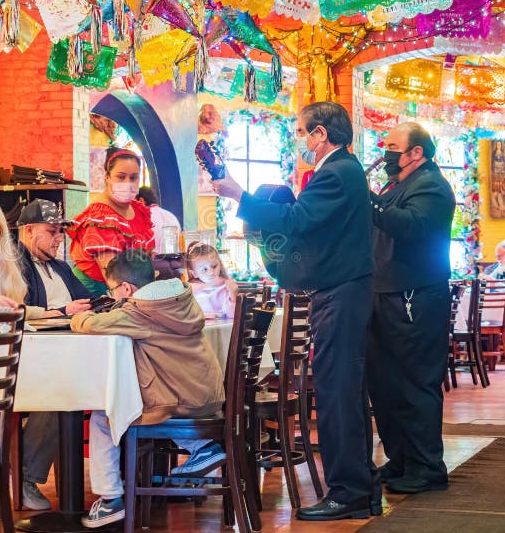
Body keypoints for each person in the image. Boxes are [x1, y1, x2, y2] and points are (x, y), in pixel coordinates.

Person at [213, 101, 377, 521]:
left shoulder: (336, 172)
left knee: (337, 392)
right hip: (344, 289)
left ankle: (350, 491)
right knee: (344, 391)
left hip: (341, 291)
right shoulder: (345, 170)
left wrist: (239, 195)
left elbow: (298, 219)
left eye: (303, 131)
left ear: (321, 133)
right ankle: (360, 485)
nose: (299, 139)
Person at [70, 250, 225, 528]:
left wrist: (78, 317)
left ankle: (110, 501)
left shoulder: (140, 311)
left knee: (103, 416)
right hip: (207, 394)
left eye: (113, 289)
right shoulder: (180, 296)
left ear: (127, 288)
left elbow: (90, 324)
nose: (113, 294)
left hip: (181, 400)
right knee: (139, 399)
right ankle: (202, 447)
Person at [366, 122, 456, 495]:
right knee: (385, 383)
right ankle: (401, 457)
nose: (385, 153)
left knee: (415, 381)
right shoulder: (398, 184)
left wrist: (367, 199)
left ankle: (427, 466)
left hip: (416, 296)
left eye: (392, 146)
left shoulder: (432, 187)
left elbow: (412, 226)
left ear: (416, 152)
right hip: (385, 292)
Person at [14, 199, 94, 510]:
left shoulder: (60, 266)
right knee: (59, 394)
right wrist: (62, 311)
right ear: (29, 230)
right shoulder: (14, 265)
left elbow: (85, 298)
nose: (59, 238)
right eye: (52, 231)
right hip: (32, 360)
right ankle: (25, 477)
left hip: (71, 353)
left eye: (61, 231)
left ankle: (124, 479)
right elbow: (17, 311)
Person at [67, 147, 155, 296]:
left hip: (129, 289)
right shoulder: (101, 217)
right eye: (121, 177)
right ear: (107, 177)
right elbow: (112, 274)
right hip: (94, 294)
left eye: (133, 177)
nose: (127, 182)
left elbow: (144, 258)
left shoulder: (138, 210)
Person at [186, 242, 237, 319]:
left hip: (222, 329)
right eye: (204, 269)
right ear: (194, 273)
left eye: (214, 266)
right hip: (198, 330)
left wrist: (233, 294)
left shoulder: (224, 288)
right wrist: (208, 285)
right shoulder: (191, 290)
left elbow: (232, 316)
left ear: (219, 264)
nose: (211, 272)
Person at [136, 185, 181, 253]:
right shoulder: (171, 216)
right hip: (175, 261)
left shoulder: (144, 217)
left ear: (141, 201)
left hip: (153, 261)